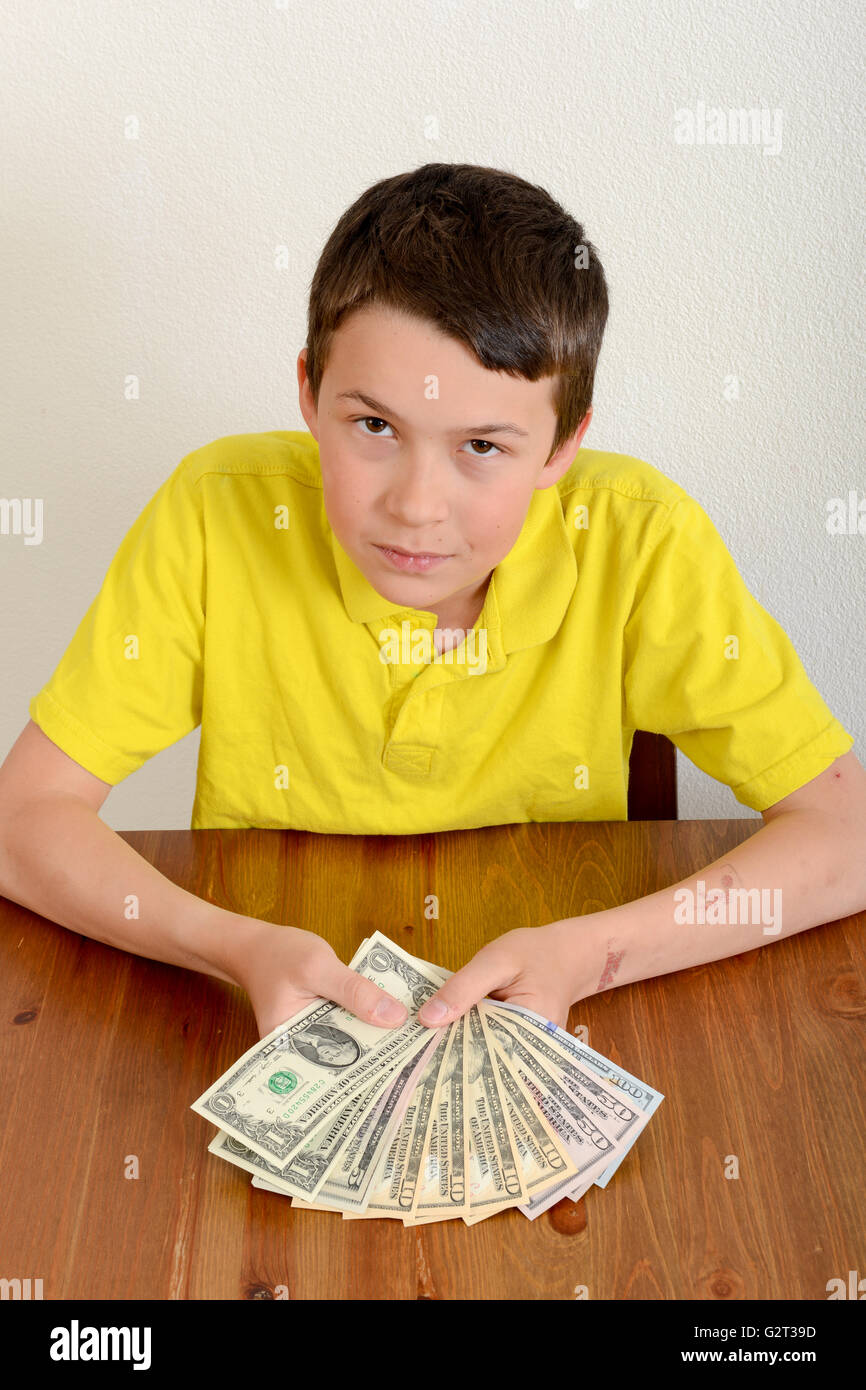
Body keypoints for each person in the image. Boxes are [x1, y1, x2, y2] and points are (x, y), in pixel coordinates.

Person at [2, 163, 864, 1041]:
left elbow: (846, 836)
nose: (416, 506)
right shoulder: (215, 511)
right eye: (374, 426)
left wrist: (591, 951)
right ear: (308, 390)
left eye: (483, 445)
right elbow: (22, 818)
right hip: (262, 989)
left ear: (564, 444)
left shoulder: (640, 537)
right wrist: (235, 948)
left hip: (571, 993)